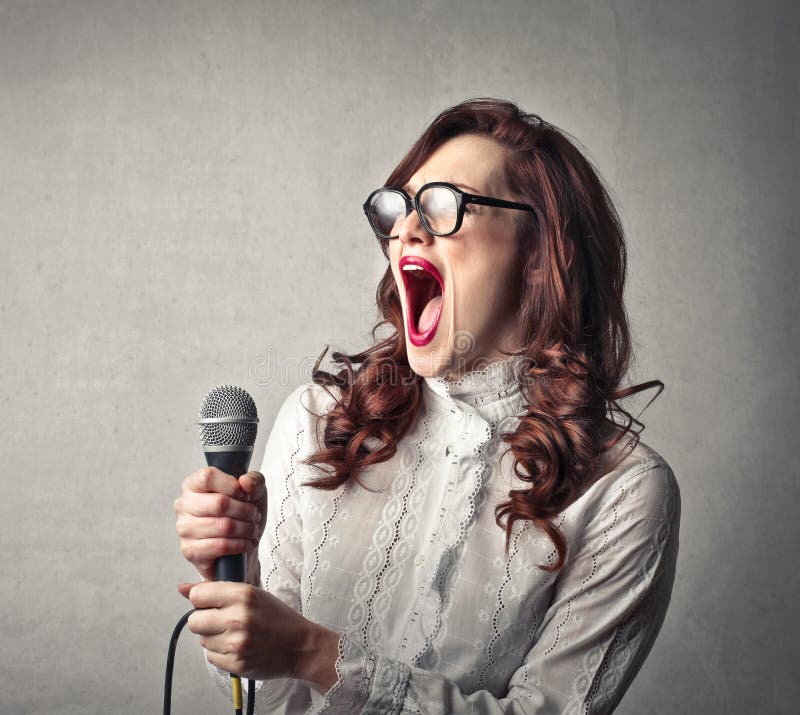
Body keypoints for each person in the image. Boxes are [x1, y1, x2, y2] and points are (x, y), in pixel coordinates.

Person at [173, 98, 680, 714]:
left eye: (444, 205)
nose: (405, 230)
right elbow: (273, 703)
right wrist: (236, 581)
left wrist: (313, 652)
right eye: (400, 208)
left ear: (543, 252)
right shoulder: (317, 420)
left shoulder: (625, 490)